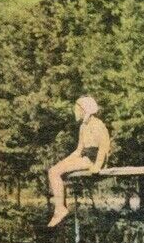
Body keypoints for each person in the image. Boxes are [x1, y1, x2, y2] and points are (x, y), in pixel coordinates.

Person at [47, 96, 111, 228]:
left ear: (84, 109)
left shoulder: (98, 125)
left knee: (55, 172)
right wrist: (63, 163)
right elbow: (79, 150)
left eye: (77, 109)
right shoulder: (83, 126)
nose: (75, 111)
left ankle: (60, 209)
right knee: (53, 170)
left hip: (94, 159)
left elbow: (103, 147)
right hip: (85, 157)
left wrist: (97, 165)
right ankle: (60, 208)